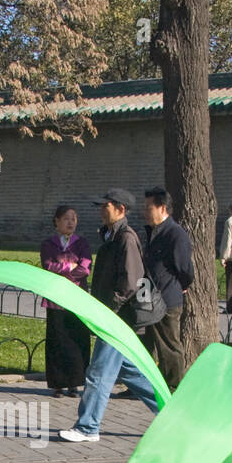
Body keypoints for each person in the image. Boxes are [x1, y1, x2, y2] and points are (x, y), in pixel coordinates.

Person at [59, 188, 159, 444]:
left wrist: (109, 309)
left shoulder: (125, 238)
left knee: (99, 373)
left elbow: (131, 281)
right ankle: (174, 415)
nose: (101, 210)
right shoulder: (111, 236)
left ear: (121, 209)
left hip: (116, 318)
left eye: (107, 206)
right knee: (132, 373)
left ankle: (87, 427)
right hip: (112, 315)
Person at [141, 187, 194, 390]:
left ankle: (174, 386)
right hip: (146, 293)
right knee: (146, 341)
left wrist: (182, 285)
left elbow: (184, 268)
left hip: (166, 297)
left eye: (148, 207)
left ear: (162, 208)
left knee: (168, 344)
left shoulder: (175, 233)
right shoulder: (151, 231)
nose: (145, 212)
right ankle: (142, 382)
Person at [39, 205, 92, 398]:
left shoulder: (81, 243)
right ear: (57, 221)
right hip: (55, 299)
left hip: (75, 299)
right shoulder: (48, 244)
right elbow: (47, 265)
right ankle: (57, 384)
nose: (71, 223)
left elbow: (85, 268)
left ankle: (74, 383)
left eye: (74, 219)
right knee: (57, 340)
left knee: (76, 340)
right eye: (67, 219)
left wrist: (64, 271)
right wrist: (70, 266)